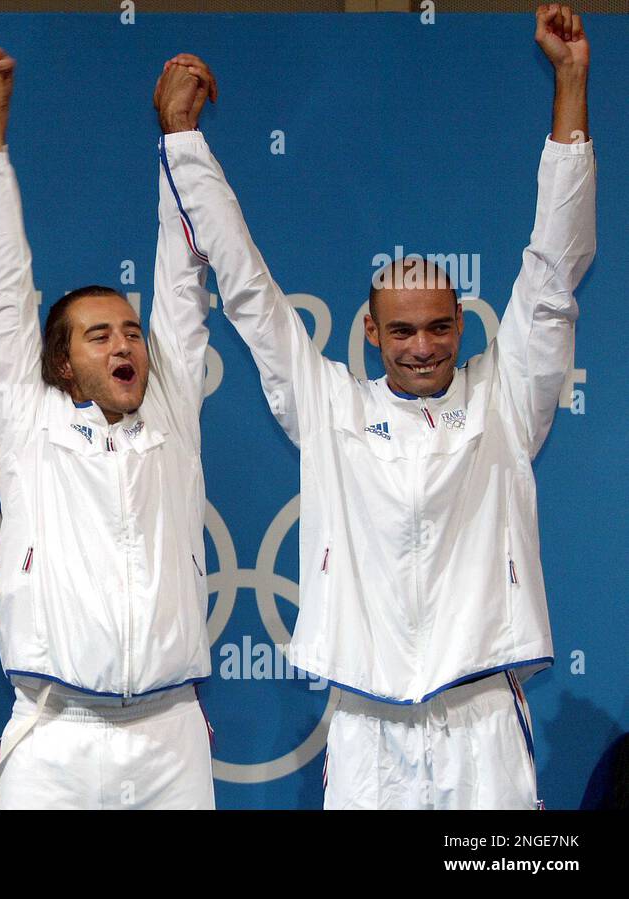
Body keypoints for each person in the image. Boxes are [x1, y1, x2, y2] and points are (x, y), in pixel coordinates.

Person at [172, 3, 594, 809]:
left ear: (463, 324)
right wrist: (187, 148)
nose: (424, 346)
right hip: (366, 724)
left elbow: (552, 269)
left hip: (481, 718)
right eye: (402, 330)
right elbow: (249, 288)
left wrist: (571, 86)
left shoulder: (504, 402)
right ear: (370, 331)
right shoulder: (328, 406)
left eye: (440, 327)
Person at [0, 46, 217, 809]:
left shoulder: (170, 411)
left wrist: (178, 134)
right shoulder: (29, 421)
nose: (125, 344)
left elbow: (181, 275)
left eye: (131, 332)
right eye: (99, 335)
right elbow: (4, 283)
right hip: (54, 735)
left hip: (171, 735)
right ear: (62, 364)